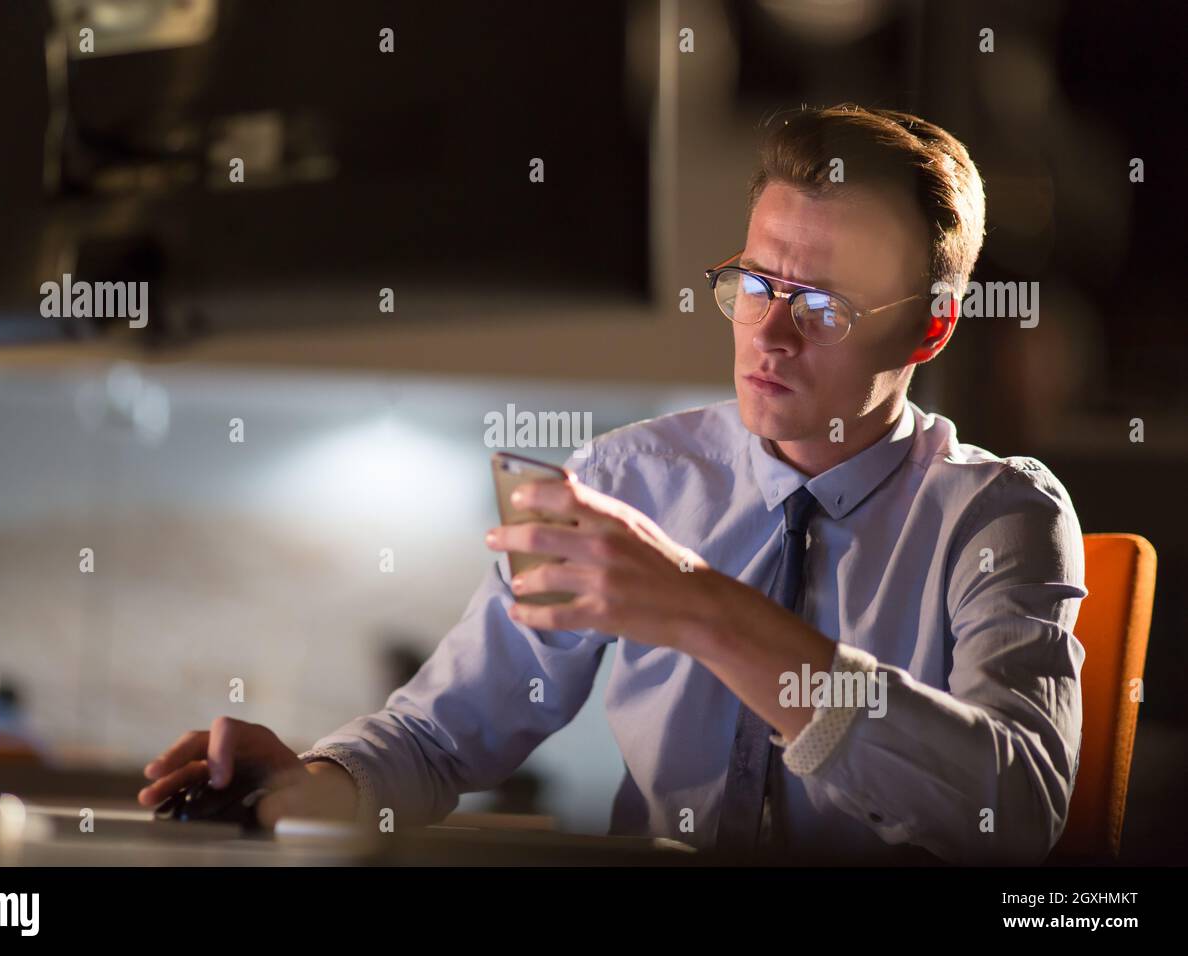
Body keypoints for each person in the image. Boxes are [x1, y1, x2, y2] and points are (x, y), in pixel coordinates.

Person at [137, 104, 1086, 864]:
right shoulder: (627, 479)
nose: (770, 334)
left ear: (930, 328)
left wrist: (704, 611)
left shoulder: (1000, 516)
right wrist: (307, 783)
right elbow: (438, 738)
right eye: (757, 283)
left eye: (824, 306)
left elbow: (1016, 810)